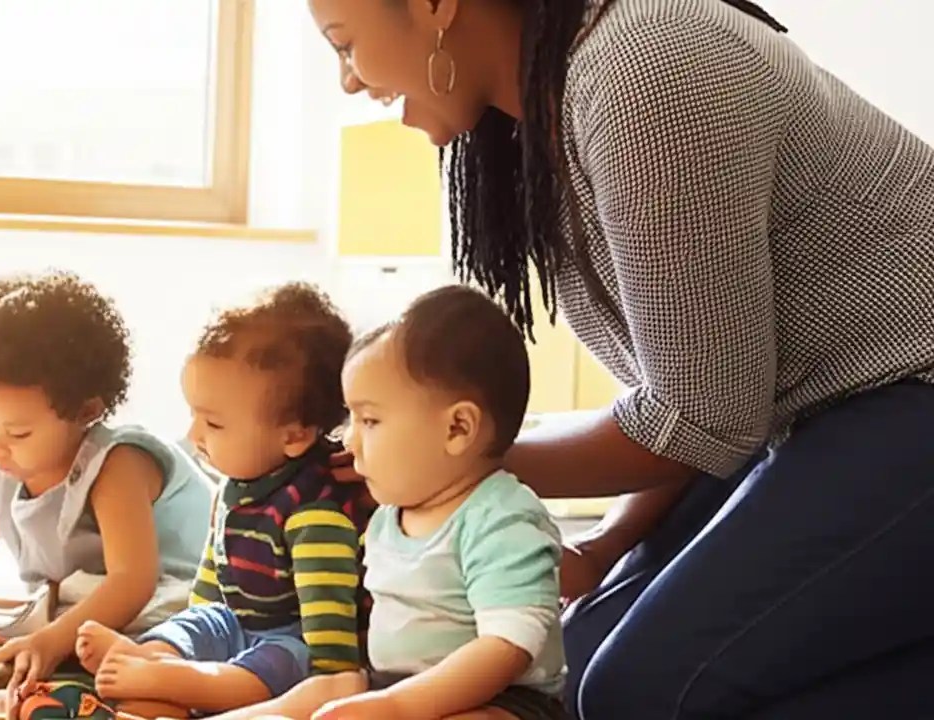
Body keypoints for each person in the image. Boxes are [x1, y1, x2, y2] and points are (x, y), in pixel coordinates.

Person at [307, 0, 934, 717]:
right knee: (575, 662)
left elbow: (699, 418)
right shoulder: (551, 112)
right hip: (819, 421)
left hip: (910, 392)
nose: (348, 81)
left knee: (637, 692)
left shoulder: (647, 68)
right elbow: (695, 391)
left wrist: (447, 461)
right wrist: (605, 544)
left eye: (344, 43)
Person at [206, 285, 568, 720]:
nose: (348, 439)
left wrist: (397, 707)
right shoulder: (388, 516)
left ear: (457, 428)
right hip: (391, 684)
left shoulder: (501, 518)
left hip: (502, 700)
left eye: (370, 419)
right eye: (350, 419)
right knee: (324, 689)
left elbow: (506, 649)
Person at [0, 270, 213, 709]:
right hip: (80, 604)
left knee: (139, 654)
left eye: (17, 432)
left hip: (169, 601)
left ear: (85, 411)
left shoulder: (117, 463)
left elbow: (134, 582)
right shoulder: (1, 466)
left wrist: (52, 642)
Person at [75, 282, 374, 718]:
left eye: (213, 423)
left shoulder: (314, 513)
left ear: (294, 435)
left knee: (264, 672)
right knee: (188, 627)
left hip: (292, 640)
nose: (194, 435)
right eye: (194, 415)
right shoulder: (235, 485)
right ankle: (161, 669)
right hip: (235, 622)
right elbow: (211, 579)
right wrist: (189, 636)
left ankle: (169, 679)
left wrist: (328, 685)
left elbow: (328, 628)